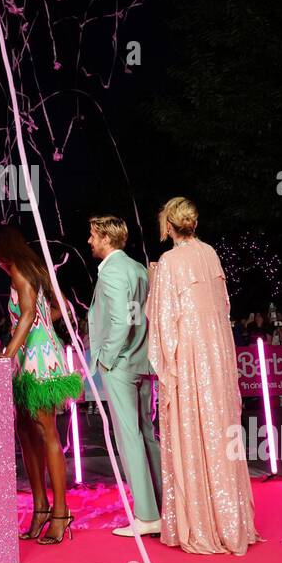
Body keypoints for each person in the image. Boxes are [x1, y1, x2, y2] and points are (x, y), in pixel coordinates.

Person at [145, 198, 258, 555]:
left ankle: (203, 522)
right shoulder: (210, 253)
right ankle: (231, 519)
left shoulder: (169, 262)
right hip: (217, 355)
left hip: (191, 358)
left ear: (168, 226)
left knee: (193, 427)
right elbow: (223, 306)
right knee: (220, 426)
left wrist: (153, 281)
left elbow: (163, 320)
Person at [0, 225, 81, 544]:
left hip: (38, 356)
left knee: (46, 433)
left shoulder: (20, 273)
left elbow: (27, 315)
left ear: (4, 254)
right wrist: (43, 322)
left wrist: (6, 354)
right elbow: (60, 309)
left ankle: (60, 513)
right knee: (27, 432)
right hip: (31, 352)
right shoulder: (34, 271)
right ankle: (41, 508)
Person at [87, 215, 162, 538]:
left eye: (92, 235)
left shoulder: (114, 272)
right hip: (142, 361)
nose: (89, 241)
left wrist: (105, 357)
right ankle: (161, 505)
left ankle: (146, 515)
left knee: (129, 436)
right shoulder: (138, 268)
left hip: (121, 363)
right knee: (146, 434)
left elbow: (121, 320)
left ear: (106, 238)